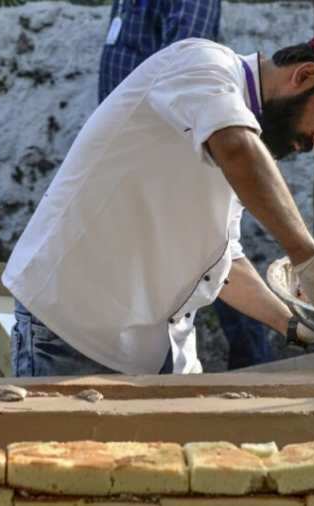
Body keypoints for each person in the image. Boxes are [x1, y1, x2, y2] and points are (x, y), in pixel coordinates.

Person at [3, 11, 314, 376]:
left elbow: (222, 263)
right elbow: (236, 148)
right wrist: (308, 257)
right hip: (72, 337)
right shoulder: (203, 65)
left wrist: (294, 325)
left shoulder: (242, 134)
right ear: (304, 76)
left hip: (160, 358)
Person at [98, 0, 274, 370]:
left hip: (168, 151)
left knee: (212, 253)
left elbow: (181, 65)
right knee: (191, 261)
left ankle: (256, 366)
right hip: (132, 150)